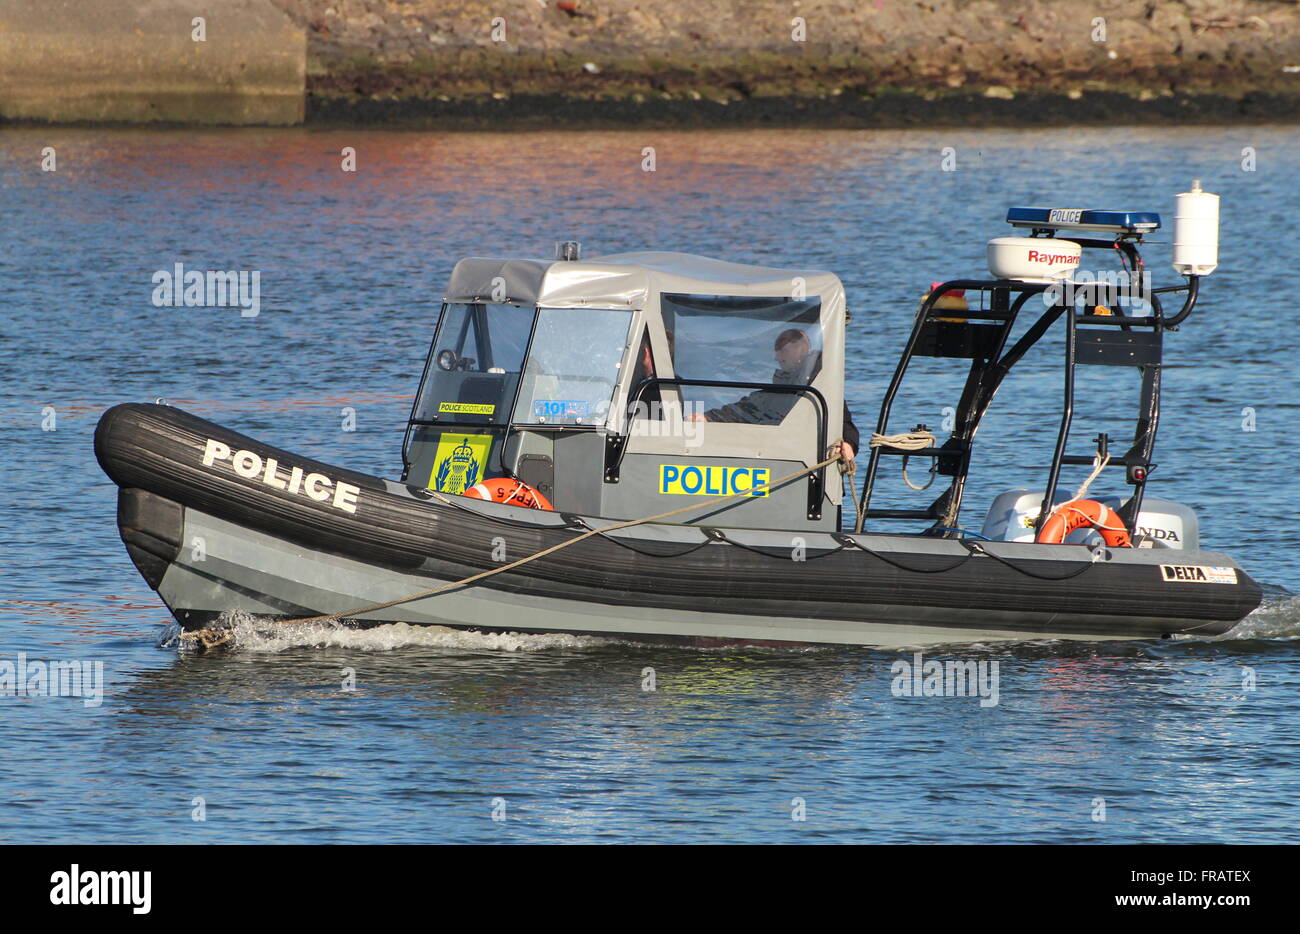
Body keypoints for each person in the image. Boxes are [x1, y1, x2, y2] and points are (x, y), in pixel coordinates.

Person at [688, 329, 858, 463]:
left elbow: (844, 423)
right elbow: (746, 409)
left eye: (781, 350)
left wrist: (849, 444)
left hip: (812, 465)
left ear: (801, 349)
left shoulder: (823, 387)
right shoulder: (777, 391)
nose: (776, 357)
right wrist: (708, 418)